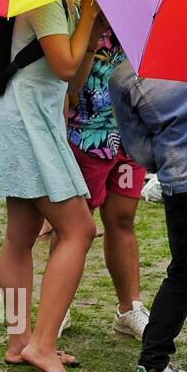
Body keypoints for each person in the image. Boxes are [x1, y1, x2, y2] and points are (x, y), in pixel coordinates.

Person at [0, 0, 102, 372]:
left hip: (35, 123)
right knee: (79, 230)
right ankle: (42, 345)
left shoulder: (68, 5)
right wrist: (91, 16)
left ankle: (21, 342)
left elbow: (73, 84)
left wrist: (92, 31)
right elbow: (64, 67)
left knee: (20, 237)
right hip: (26, 126)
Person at [110, 63, 187, 372]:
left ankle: (152, 366)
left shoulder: (123, 78)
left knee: (183, 277)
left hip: (184, 181)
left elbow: (140, 151)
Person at [63, 20, 150, 339]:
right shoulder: (82, 15)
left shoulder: (144, 18)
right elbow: (71, 83)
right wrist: (92, 29)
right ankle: (59, 308)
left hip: (131, 137)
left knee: (123, 219)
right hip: (86, 135)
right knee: (75, 226)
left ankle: (129, 309)